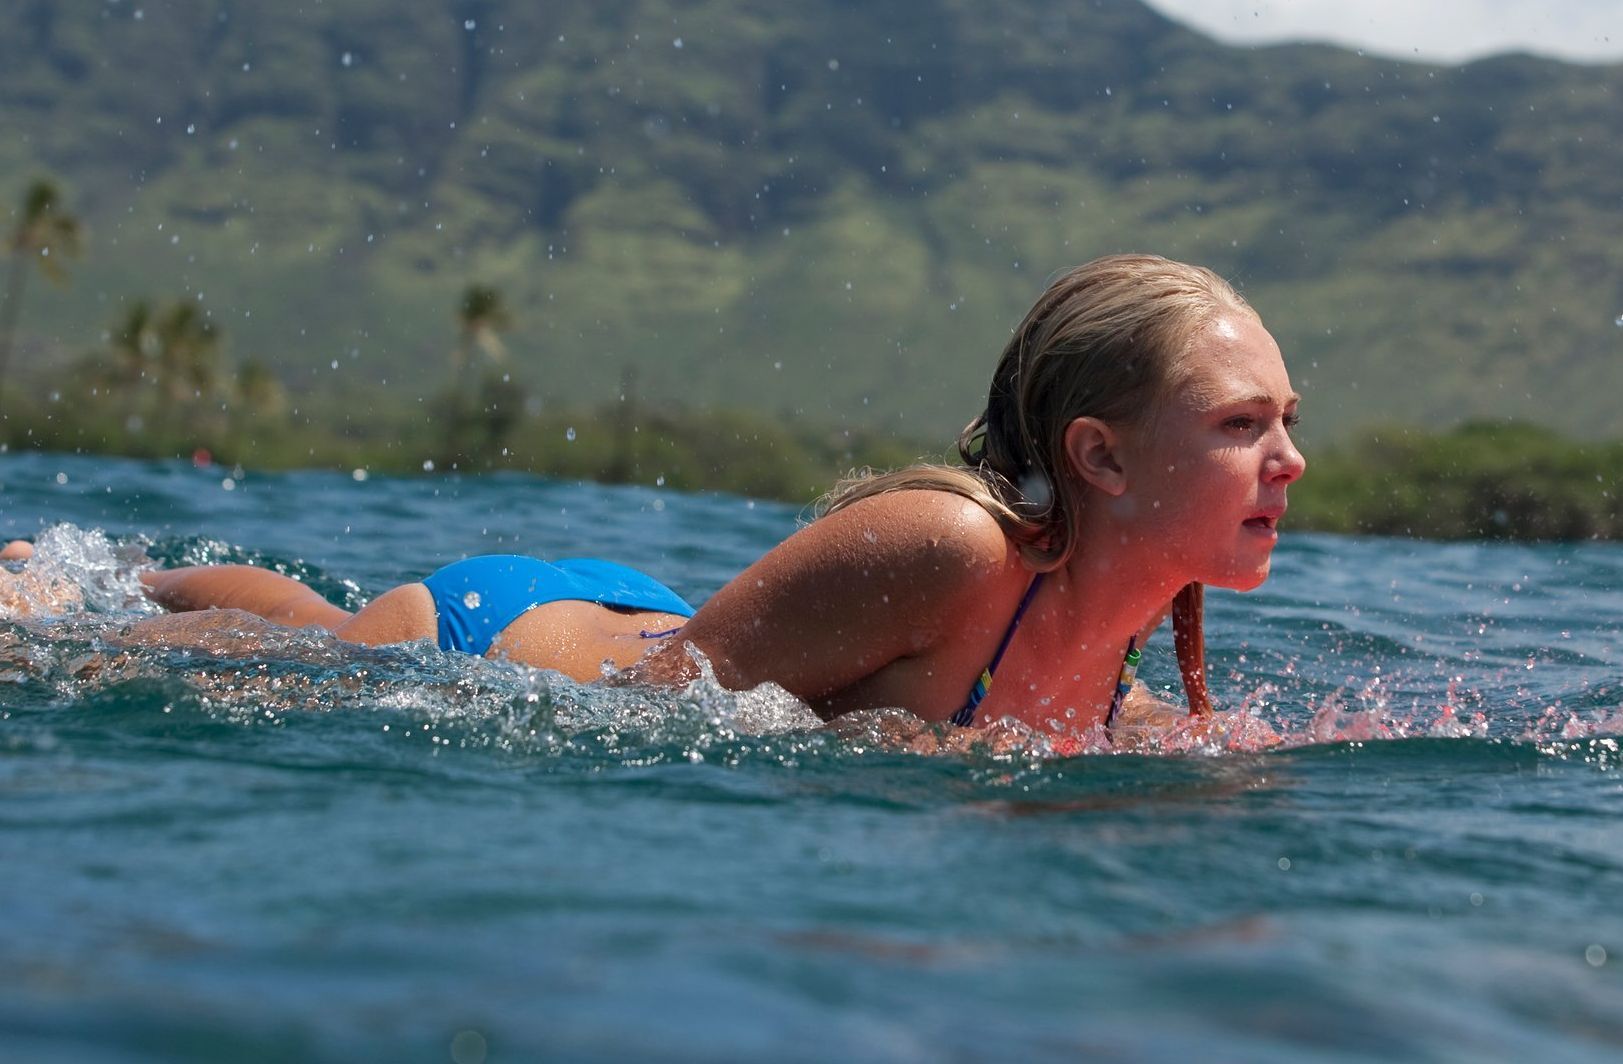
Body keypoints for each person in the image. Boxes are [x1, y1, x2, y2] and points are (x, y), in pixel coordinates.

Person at [139, 254, 1305, 740]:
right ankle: (113, 586)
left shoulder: (1114, 652)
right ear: (1100, 457)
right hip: (494, 640)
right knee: (292, 650)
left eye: (1287, 421)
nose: (1288, 458)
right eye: (1241, 424)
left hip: (647, 610)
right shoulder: (955, 547)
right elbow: (646, 710)